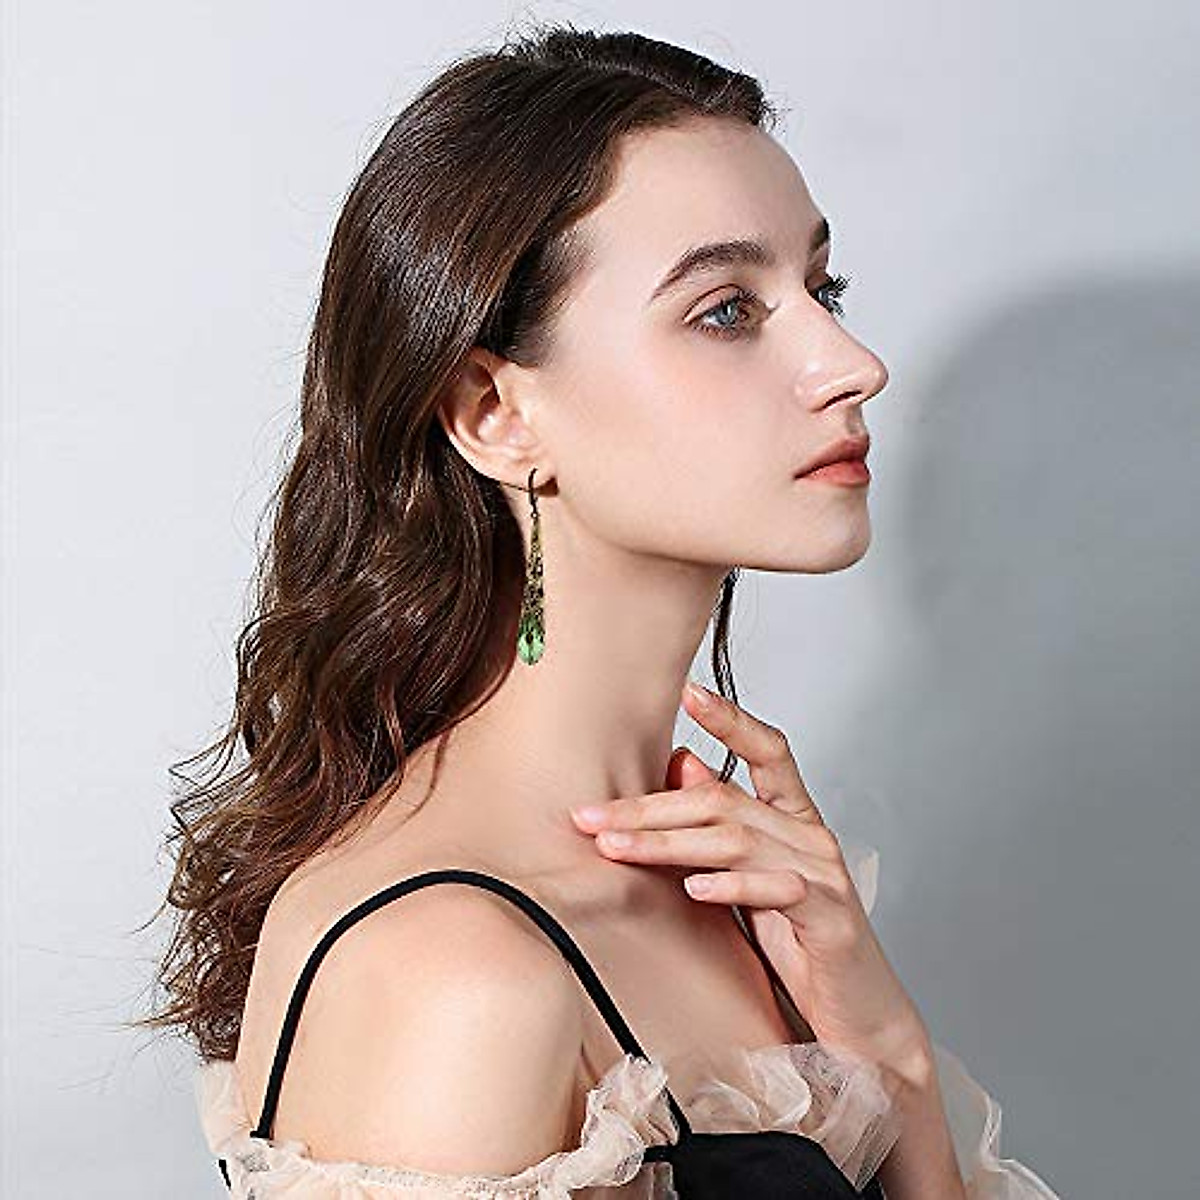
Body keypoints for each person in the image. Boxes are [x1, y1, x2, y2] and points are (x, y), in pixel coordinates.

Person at [140, 21, 1062, 1198]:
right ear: (495, 415)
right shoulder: (453, 977)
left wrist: (889, 1055)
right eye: (728, 310)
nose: (852, 362)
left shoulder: (752, 901)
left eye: (821, 288)